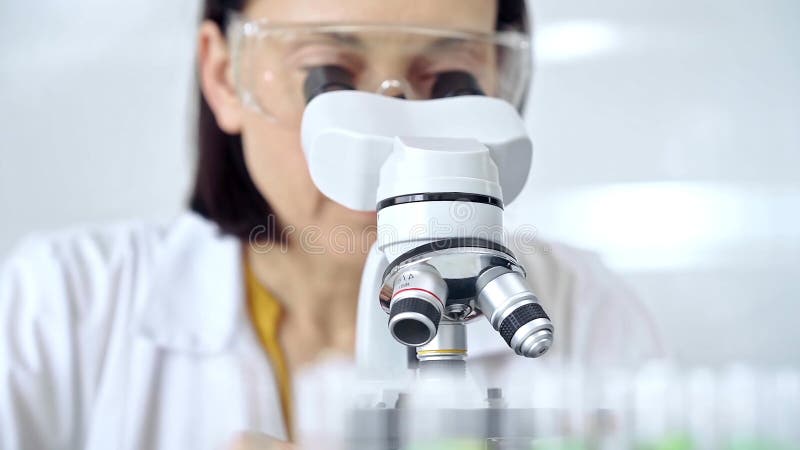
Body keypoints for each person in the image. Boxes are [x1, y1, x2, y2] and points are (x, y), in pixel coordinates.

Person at [0, 0, 663, 448]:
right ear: (225, 74)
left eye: (453, 82)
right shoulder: (58, 309)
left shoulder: (586, 314)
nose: (393, 134)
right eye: (328, 79)